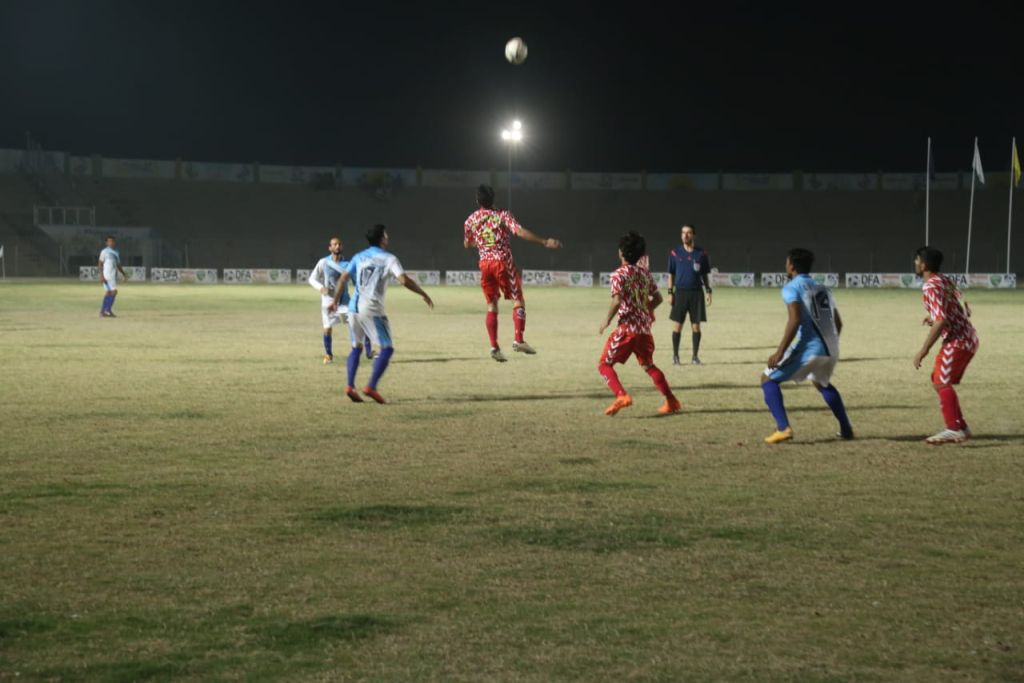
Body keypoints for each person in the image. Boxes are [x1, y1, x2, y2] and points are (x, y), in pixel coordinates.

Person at [330, 224, 433, 404]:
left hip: (353, 308)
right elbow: (403, 280)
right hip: (371, 309)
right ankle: (371, 386)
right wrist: (422, 293)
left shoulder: (358, 257)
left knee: (356, 347)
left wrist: (334, 301)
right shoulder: (389, 259)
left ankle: (350, 386)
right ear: (382, 239)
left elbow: (343, 279)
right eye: (386, 235)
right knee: (387, 348)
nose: (388, 237)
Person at [761, 248, 853, 444]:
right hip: (831, 348)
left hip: (811, 348)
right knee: (822, 383)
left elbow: (794, 319)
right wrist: (830, 344)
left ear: (792, 266)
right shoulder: (823, 288)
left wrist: (780, 352)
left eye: (787, 262)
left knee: (767, 378)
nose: (785, 265)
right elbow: (838, 323)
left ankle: (783, 428)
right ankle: (846, 429)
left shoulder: (791, 287)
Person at [463, 184, 562, 362]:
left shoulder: (470, 220)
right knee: (518, 300)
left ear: (477, 200)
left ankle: (494, 346)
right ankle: (518, 339)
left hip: (484, 264)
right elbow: (520, 231)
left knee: (492, 304)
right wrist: (544, 241)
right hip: (502, 262)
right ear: (494, 198)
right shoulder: (502, 214)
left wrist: (482, 242)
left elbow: (467, 243)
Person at [597, 231, 681, 416]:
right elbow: (658, 298)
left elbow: (617, 301)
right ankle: (671, 401)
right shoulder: (645, 274)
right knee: (648, 365)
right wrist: (645, 310)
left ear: (621, 252)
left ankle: (621, 396)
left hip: (628, 330)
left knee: (604, 365)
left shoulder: (618, 275)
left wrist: (606, 320)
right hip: (644, 330)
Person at [912, 246, 979, 444]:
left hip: (959, 340)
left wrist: (923, 350)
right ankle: (962, 427)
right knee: (938, 380)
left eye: (917, 260)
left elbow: (942, 319)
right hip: (965, 337)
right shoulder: (944, 279)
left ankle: (953, 428)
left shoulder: (930, 286)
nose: (915, 263)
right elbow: (961, 305)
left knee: (941, 381)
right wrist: (934, 316)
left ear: (923, 265)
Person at [308, 236, 373, 364]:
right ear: (330, 248)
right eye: (334, 244)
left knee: (360, 324)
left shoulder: (348, 265)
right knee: (327, 329)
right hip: (328, 302)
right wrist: (321, 288)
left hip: (345, 302)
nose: (337, 246)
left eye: (339, 244)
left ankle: (369, 352)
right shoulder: (323, 262)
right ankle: (329, 355)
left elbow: (357, 283)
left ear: (342, 247)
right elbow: (312, 279)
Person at [667, 224, 712, 365]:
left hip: (696, 293)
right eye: (683, 233)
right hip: (680, 293)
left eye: (688, 233)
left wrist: (708, 291)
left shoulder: (701, 254)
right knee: (677, 326)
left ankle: (695, 357)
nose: (685, 235)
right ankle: (675, 356)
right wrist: (670, 293)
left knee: (696, 327)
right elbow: (671, 274)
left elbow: (705, 274)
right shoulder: (675, 253)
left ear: (693, 235)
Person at [98, 235, 128, 318]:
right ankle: (107, 310)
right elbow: (100, 264)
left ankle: (103, 312)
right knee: (114, 292)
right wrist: (101, 276)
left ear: (114, 242)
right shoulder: (104, 251)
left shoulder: (116, 252)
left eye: (112, 241)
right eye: (109, 241)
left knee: (108, 292)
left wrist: (124, 274)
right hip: (107, 275)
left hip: (112, 275)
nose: (111, 243)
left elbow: (118, 265)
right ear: (106, 243)